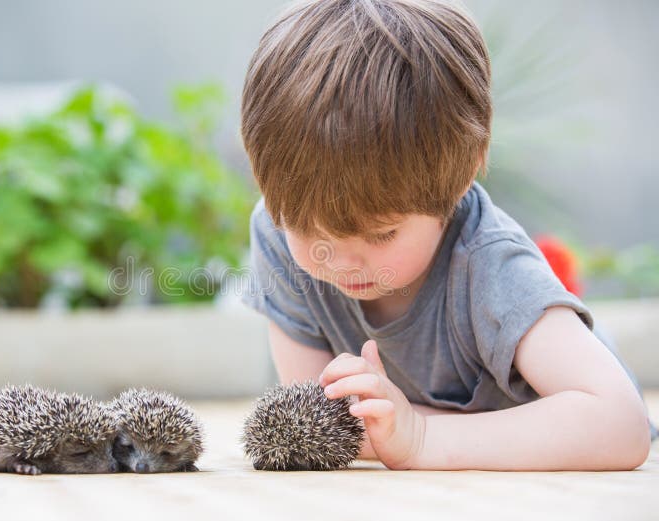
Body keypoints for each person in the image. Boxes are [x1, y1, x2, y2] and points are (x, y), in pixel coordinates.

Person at [239, 0, 657, 471]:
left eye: (382, 234)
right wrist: (390, 430)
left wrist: (420, 437)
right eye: (308, 231)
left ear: (461, 179)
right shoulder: (276, 230)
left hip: (565, 426)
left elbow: (622, 424)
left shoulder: (491, 269)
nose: (343, 261)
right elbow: (324, 426)